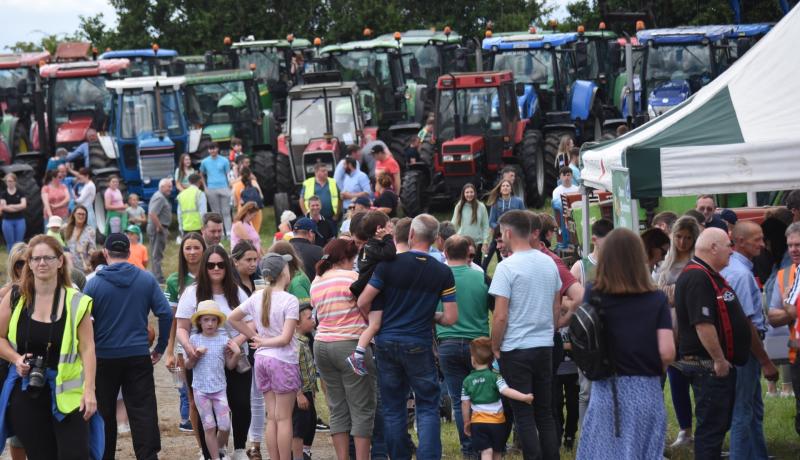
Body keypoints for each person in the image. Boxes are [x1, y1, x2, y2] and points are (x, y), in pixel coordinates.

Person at [356, 214, 458, 460]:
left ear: (410, 234)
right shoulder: (443, 272)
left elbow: (363, 300)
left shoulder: (387, 266)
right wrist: (430, 315)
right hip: (419, 343)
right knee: (427, 406)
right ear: (435, 240)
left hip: (387, 341)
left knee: (393, 407)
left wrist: (375, 322)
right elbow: (451, 318)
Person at [576, 228, 675, 459]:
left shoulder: (594, 292)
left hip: (606, 387)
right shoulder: (656, 298)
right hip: (646, 389)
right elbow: (667, 351)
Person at [0, 235, 98, 460]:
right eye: (35, 258)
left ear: (60, 261)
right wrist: (16, 359)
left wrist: (90, 390)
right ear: (29, 263)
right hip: (27, 392)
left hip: (70, 394)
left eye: (48, 257)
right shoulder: (16, 297)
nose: (41, 263)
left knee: (75, 455)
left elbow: (88, 348)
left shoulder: (77, 301)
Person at [83, 233, 172, 460]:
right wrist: (160, 347)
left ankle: (104, 455)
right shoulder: (147, 279)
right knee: (143, 411)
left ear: (105, 254)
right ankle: (148, 456)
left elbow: (81, 322)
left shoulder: (93, 284)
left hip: (103, 357)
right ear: (130, 252)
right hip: (137, 354)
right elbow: (164, 313)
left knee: (103, 413)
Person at [488, 210, 561, 460]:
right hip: (544, 345)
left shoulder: (506, 267)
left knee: (523, 415)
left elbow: (500, 315)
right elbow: (556, 305)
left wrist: (495, 346)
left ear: (508, 233)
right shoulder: (549, 261)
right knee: (545, 412)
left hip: (516, 348)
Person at [674, 228, 753, 458]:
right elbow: (703, 324)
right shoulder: (698, 277)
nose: (732, 250)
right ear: (714, 248)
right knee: (710, 430)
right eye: (729, 245)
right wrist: (718, 360)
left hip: (712, 366)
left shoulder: (705, 274)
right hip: (707, 367)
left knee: (716, 427)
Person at [176, 246, 252, 460]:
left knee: (240, 404)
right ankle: (210, 453)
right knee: (204, 408)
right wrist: (188, 348)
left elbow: (251, 322)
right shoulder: (192, 293)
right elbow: (182, 327)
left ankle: (237, 448)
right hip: (201, 359)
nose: (216, 268)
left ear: (227, 266)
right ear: (204, 267)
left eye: (220, 264)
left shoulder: (237, 291)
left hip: (234, 357)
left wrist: (236, 340)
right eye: (211, 265)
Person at [228, 253, 301, 460]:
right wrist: (261, 339)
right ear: (283, 272)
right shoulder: (290, 300)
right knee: (284, 418)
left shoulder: (257, 296)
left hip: (261, 360)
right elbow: (286, 338)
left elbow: (233, 318)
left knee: (272, 417)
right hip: (283, 360)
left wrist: (256, 337)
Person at [310, 238, 376, 460]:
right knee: (361, 407)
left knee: (337, 407)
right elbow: (366, 309)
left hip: (321, 346)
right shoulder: (353, 278)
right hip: (350, 344)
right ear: (347, 258)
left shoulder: (316, 281)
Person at [722, 222, 779, 459]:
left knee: (753, 409)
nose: (762, 244)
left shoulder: (733, 268)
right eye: (757, 239)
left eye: (762, 238)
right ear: (740, 241)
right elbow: (747, 325)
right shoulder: (741, 274)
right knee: (743, 412)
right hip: (747, 352)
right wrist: (765, 361)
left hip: (739, 351)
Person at [438, 235, 490, 457]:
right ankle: (484, 445)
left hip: (448, 343)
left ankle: (468, 448)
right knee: (483, 398)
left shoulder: (439, 278)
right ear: (470, 253)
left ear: (446, 253)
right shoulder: (481, 277)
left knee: (460, 401)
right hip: (478, 344)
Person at [655, 215, 701, 448]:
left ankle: (702, 428)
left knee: (699, 381)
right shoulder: (665, 263)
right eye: (679, 237)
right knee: (677, 381)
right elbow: (657, 294)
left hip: (693, 328)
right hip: (671, 330)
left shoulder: (697, 262)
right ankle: (685, 428)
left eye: (687, 238)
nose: (682, 242)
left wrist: (673, 293)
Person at [462, 337, 534, 460]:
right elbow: (506, 391)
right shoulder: (495, 377)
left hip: (478, 423)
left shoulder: (467, 381)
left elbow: (465, 404)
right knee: (497, 453)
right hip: (497, 423)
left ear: (473, 360)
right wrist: (524, 397)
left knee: (486, 452)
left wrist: (466, 422)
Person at [185, 300, 240, 460]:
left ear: (218, 321)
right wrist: (195, 355)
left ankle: (219, 449)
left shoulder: (224, 340)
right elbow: (188, 365)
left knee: (224, 426)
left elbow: (229, 366)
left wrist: (236, 354)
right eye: (206, 320)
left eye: (213, 319)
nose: (210, 323)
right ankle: (214, 457)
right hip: (201, 391)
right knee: (209, 427)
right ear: (199, 321)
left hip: (219, 389)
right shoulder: (194, 340)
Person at [164, 233, 206, 436]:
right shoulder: (174, 281)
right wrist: (170, 351)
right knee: (191, 395)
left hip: (212, 342)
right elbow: (171, 319)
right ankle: (202, 446)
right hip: (184, 345)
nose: (191, 252)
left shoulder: (214, 274)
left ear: (204, 250)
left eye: (196, 247)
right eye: (187, 248)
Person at [346, 211, 397, 375]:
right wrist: (388, 237)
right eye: (387, 226)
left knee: (375, 325)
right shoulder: (372, 246)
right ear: (379, 229)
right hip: (373, 292)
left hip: (372, 291)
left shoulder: (370, 246)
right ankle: (358, 355)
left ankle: (360, 354)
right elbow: (390, 253)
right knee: (374, 325)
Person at [767, 222, 800, 435]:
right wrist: (792, 312)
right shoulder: (785, 275)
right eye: (790, 245)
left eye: (798, 244)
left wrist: (789, 310)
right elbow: (772, 315)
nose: (794, 250)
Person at [292, 303, 318, 460]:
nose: (313, 320)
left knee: (311, 421)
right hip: (300, 392)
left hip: (308, 391)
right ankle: (297, 456)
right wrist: (298, 394)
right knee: (299, 427)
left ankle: (305, 452)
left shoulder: (306, 340)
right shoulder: (296, 344)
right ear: (297, 323)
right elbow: (292, 369)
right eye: (309, 318)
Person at [483, 179, 524, 269]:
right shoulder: (495, 203)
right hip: (498, 236)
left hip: (513, 236)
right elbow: (491, 222)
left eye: (507, 186)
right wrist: (500, 229)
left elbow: (524, 218)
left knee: (507, 259)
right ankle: (483, 275)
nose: (505, 187)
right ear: (500, 189)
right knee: (486, 259)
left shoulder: (518, 201)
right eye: (503, 186)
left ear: (511, 189)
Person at [452, 183, 490, 266]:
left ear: (475, 193)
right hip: (462, 243)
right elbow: (454, 224)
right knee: (463, 265)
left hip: (477, 243)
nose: (469, 194)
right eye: (467, 192)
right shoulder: (459, 206)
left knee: (476, 266)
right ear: (463, 194)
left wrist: (485, 241)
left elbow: (485, 225)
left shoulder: (481, 206)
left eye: (471, 192)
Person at [199, 143, 232, 237]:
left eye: (214, 148)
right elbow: (201, 173)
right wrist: (205, 187)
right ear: (208, 150)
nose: (212, 151)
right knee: (216, 213)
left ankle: (229, 232)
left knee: (226, 211)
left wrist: (230, 186)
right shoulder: (204, 162)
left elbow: (228, 174)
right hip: (211, 188)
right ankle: (219, 233)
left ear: (217, 149)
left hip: (224, 187)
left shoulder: (224, 160)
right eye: (210, 149)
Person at [147, 178, 173, 284]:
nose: (170, 189)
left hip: (160, 228)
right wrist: (160, 227)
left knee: (156, 254)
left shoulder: (160, 197)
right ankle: (158, 278)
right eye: (169, 187)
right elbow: (152, 214)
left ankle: (156, 276)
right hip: (157, 229)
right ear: (162, 187)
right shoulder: (160, 197)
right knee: (156, 254)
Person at [232, 166, 264, 233]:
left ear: (240, 174)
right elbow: (261, 197)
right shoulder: (254, 182)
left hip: (243, 212)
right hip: (255, 211)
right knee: (255, 233)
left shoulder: (235, 185)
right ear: (250, 174)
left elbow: (235, 204)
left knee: (245, 234)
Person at [65, 205, 96, 273]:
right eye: (79, 214)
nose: (81, 216)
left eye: (83, 214)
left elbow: (92, 249)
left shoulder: (90, 231)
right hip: (69, 266)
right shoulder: (66, 228)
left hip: (83, 267)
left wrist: (90, 263)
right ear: (74, 214)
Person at [0, 173, 27, 249]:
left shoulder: (20, 192)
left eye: (11, 181)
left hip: (20, 220)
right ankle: (11, 259)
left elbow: (24, 205)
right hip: (7, 221)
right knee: (10, 243)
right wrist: (18, 207)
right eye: (7, 181)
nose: (9, 183)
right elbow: (3, 207)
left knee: (19, 243)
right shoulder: (3, 194)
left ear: (15, 182)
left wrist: (11, 206)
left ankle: (19, 259)